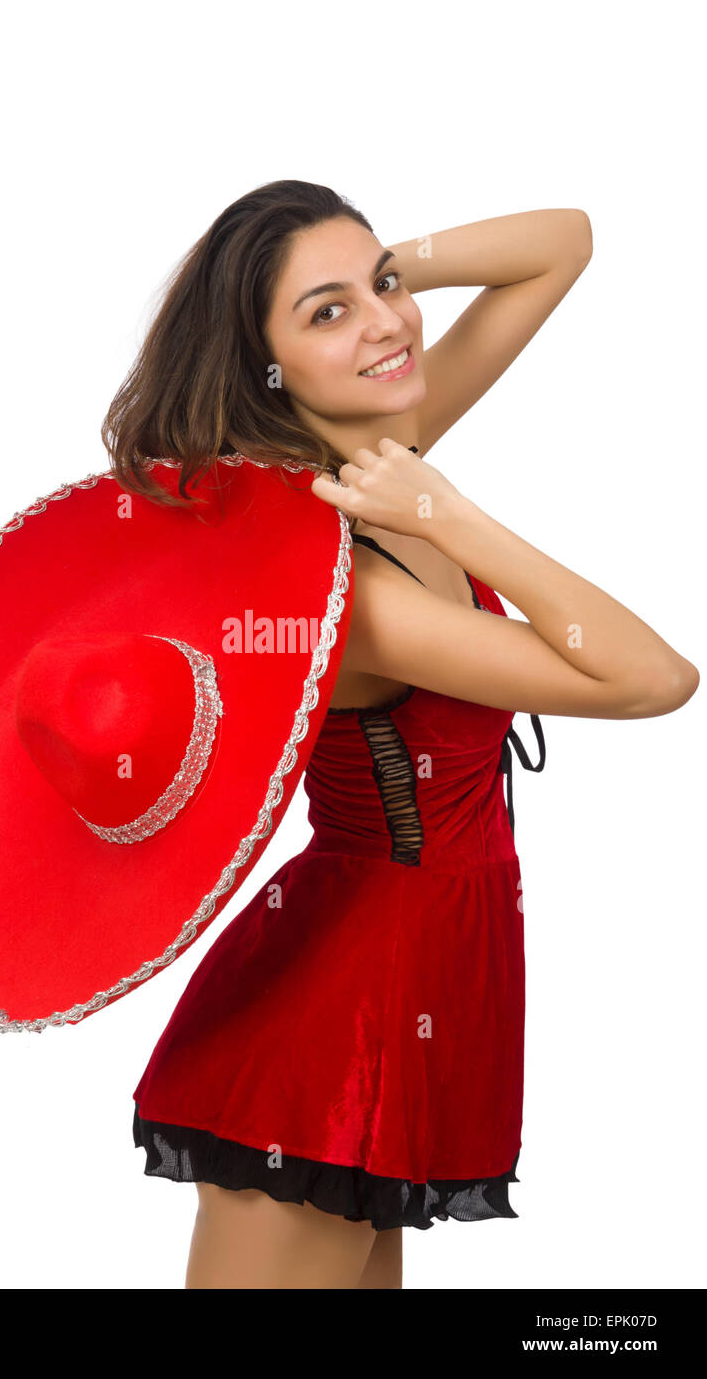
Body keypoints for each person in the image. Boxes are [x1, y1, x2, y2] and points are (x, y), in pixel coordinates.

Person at [102, 180, 699, 1289]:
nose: (385, 323)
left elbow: (562, 242)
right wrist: (454, 518)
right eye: (322, 315)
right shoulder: (355, 587)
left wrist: (382, 283)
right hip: (339, 1020)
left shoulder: (371, 458)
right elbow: (652, 677)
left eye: (382, 286)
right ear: (261, 365)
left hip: (419, 980)